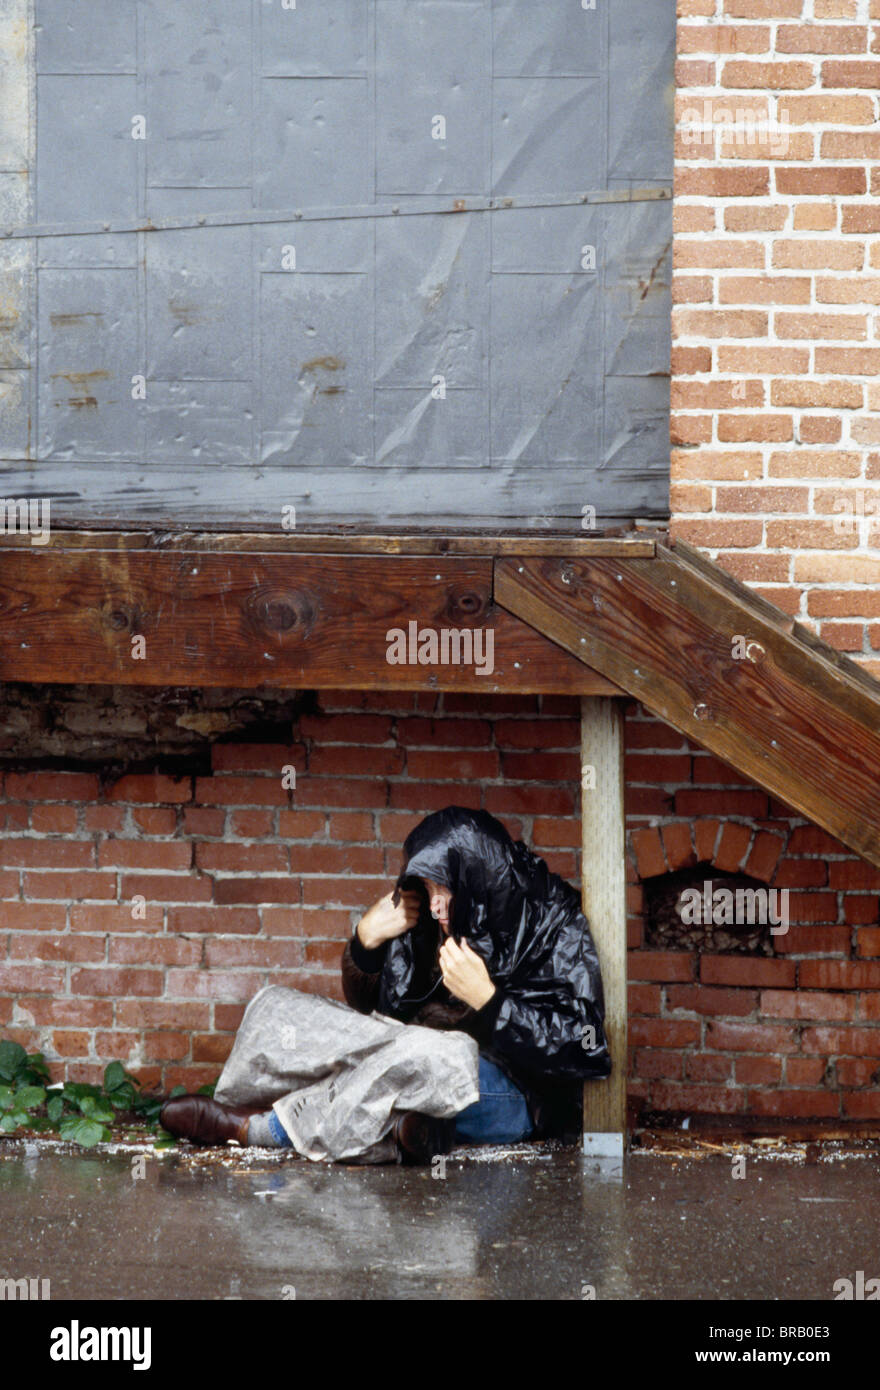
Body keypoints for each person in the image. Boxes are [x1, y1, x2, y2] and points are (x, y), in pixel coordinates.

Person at [160, 807, 611, 1163]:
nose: (435, 904)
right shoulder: (428, 919)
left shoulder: (554, 920)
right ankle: (405, 1134)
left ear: (474, 877)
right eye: (428, 888)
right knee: (282, 1010)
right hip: (410, 1056)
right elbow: (380, 1016)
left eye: (444, 889)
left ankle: (257, 1130)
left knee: (427, 1055)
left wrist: (491, 1004)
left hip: (511, 1094)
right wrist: (366, 944)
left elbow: (584, 1048)